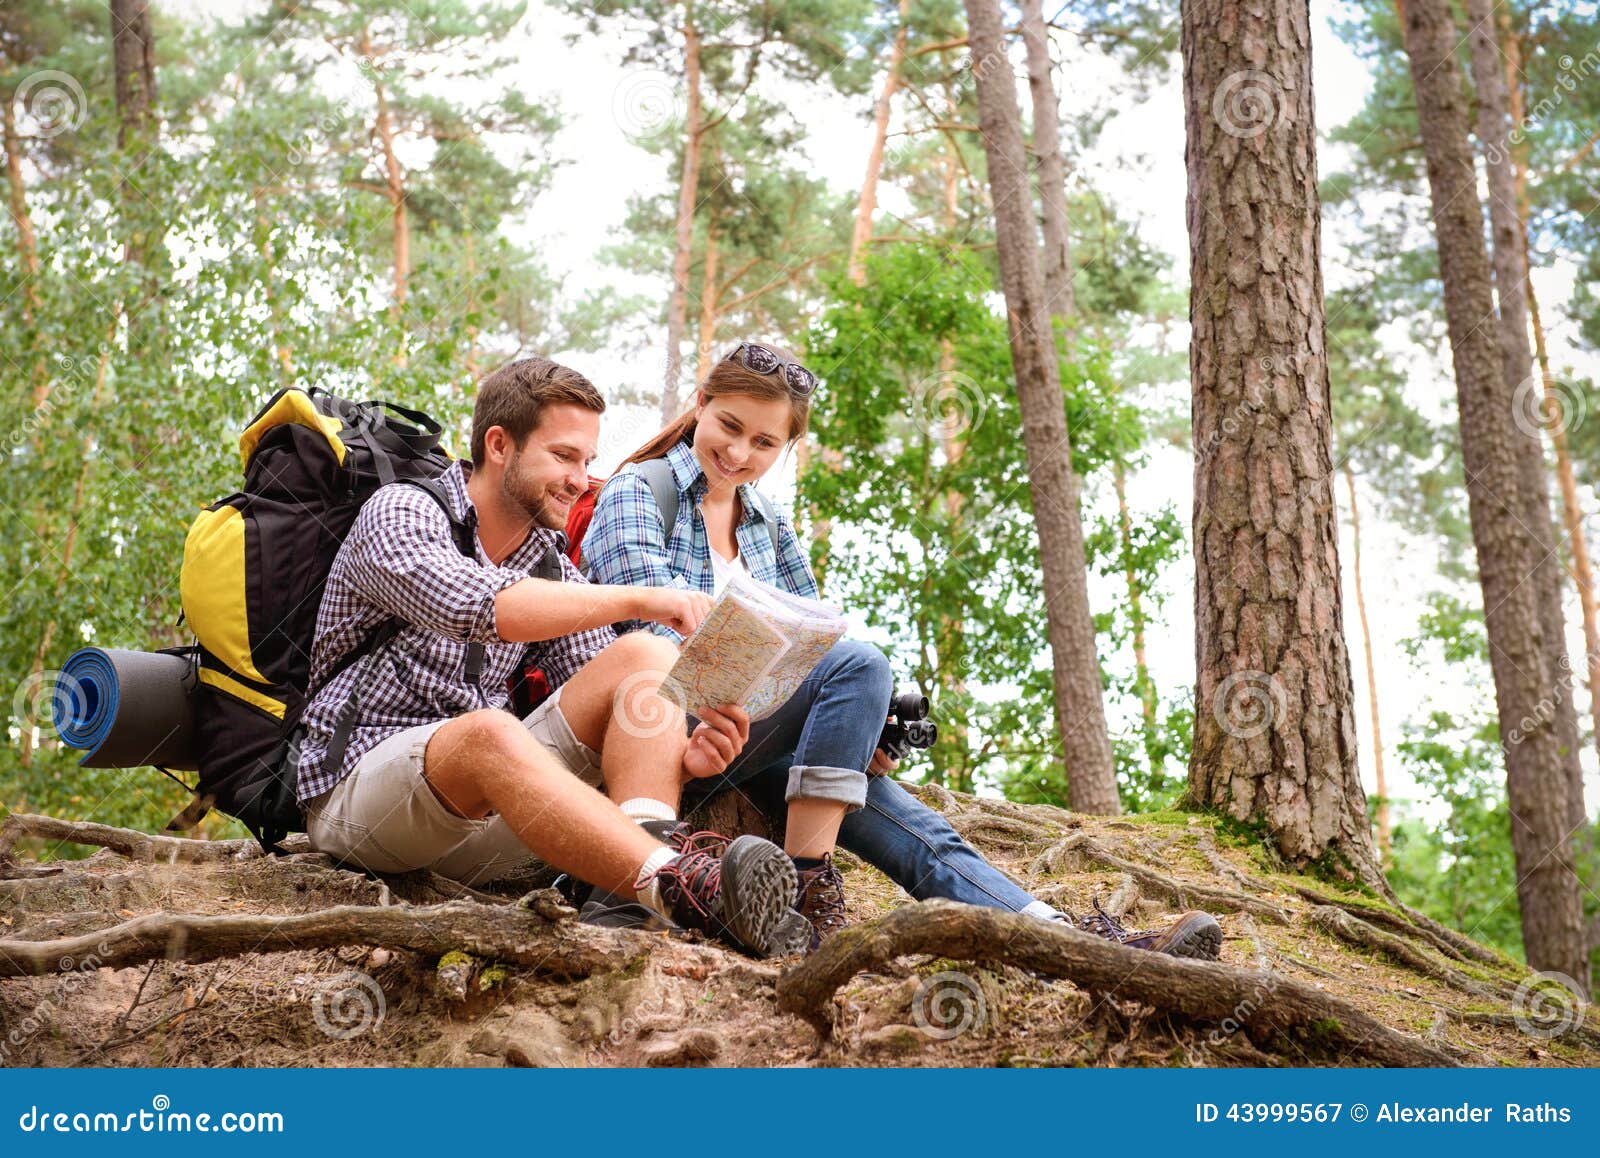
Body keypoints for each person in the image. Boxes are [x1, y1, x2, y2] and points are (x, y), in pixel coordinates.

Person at [583, 341, 1222, 959]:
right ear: (700, 403)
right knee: (861, 664)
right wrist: (835, 696)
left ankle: (1065, 936)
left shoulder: (769, 523)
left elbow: (812, 637)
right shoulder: (640, 493)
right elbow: (648, 650)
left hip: (756, 738)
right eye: (729, 425)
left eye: (765, 442)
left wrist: (861, 729)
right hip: (667, 747)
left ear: (787, 448)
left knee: (915, 825)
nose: (740, 451)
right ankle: (808, 890)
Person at [294, 356, 810, 958]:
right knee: (487, 732)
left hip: (483, 819)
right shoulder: (404, 512)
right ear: (499, 445)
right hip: (362, 806)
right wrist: (641, 596)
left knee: (643, 655)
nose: (580, 479)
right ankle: (683, 886)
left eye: (588, 461)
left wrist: (683, 754)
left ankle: (630, 899)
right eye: (564, 457)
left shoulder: (545, 558)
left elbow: (614, 697)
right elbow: (474, 606)